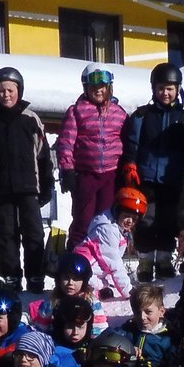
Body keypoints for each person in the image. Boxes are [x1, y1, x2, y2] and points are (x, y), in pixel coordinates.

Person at [118, 63, 184, 283]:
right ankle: (145, 260)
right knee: (147, 219)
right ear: (154, 89)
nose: (166, 93)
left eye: (170, 88)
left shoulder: (183, 117)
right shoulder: (143, 115)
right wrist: (130, 164)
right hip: (147, 177)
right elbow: (132, 142)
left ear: (178, 90)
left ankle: (163, 259)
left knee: (168, 219)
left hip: (172, 178)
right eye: (161, 88)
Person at [0, 67, 56, 293]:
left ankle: (35, 275)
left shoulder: (30, 119)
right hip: (2, 190)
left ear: (19, 91)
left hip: (28, 188)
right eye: (1, 90)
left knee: (34, 233)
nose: (6, 95)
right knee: (6, 236)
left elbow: (43, 154)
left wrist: (46, 183)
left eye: (10, 90)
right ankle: (11, 276)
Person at [56, 64, 128, 242]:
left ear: (109, 87)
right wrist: (67, 170)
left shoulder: (119, 113)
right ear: (85, 88)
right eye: (93, 87)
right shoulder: (77, 111)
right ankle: (76, 257)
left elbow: (126, 142)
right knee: (83, 219)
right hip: (85, 174)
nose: (98, 90)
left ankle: (102, 257)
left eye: (102, 87)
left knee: (106, 220)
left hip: (110, 175)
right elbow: (66, 142)